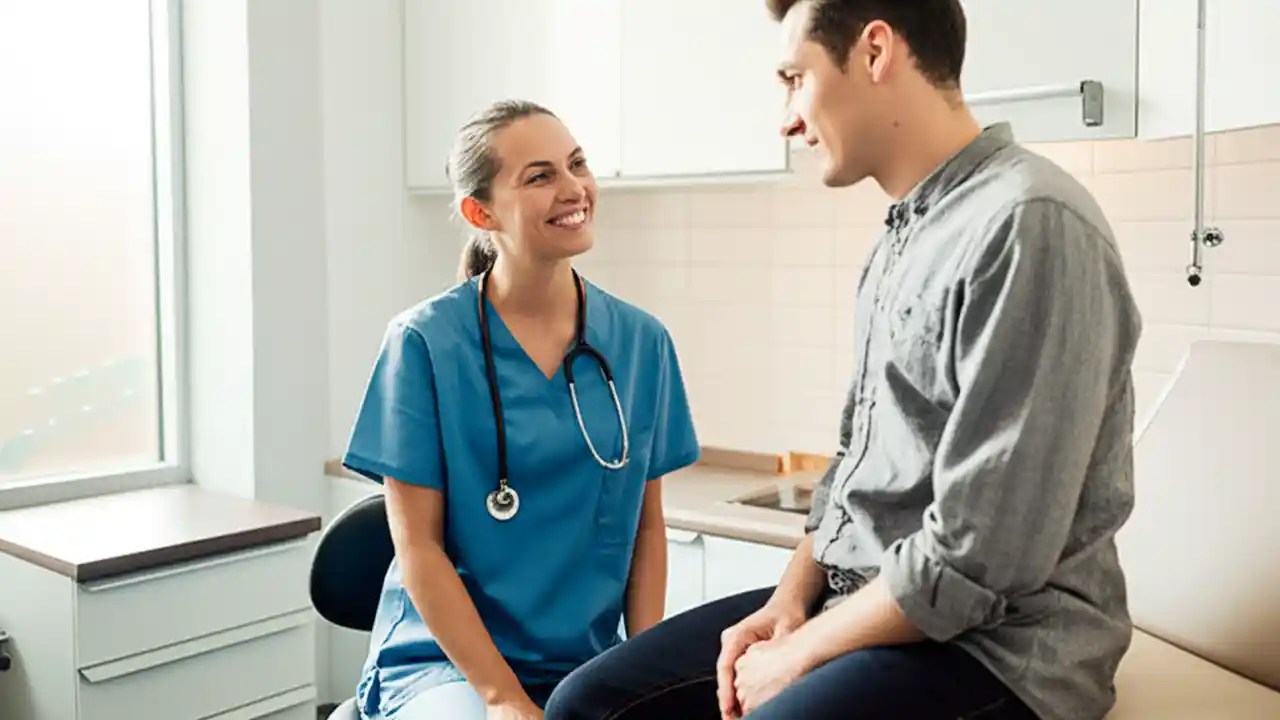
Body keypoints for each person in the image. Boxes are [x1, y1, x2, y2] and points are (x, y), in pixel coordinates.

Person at [544, 1, 1142, 719]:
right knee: (588, 704)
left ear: (875, 51)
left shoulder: (1029, 224)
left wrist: (800, 654)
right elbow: (852, 471)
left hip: (1001, 653)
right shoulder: (901, 235)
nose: (787, 117)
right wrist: (789, 605)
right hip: (865, 604)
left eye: (795, 78)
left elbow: (980, 561)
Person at [341, 99, 701, 720]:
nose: (574, 189)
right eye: (540, 176)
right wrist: (501, 696)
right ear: (481, 212)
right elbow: (418, 547)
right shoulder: (425, 343)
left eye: (576, 164)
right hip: (445, 666)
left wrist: (644, 670)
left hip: (585, 664)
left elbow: (646, 530)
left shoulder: (642, 343)